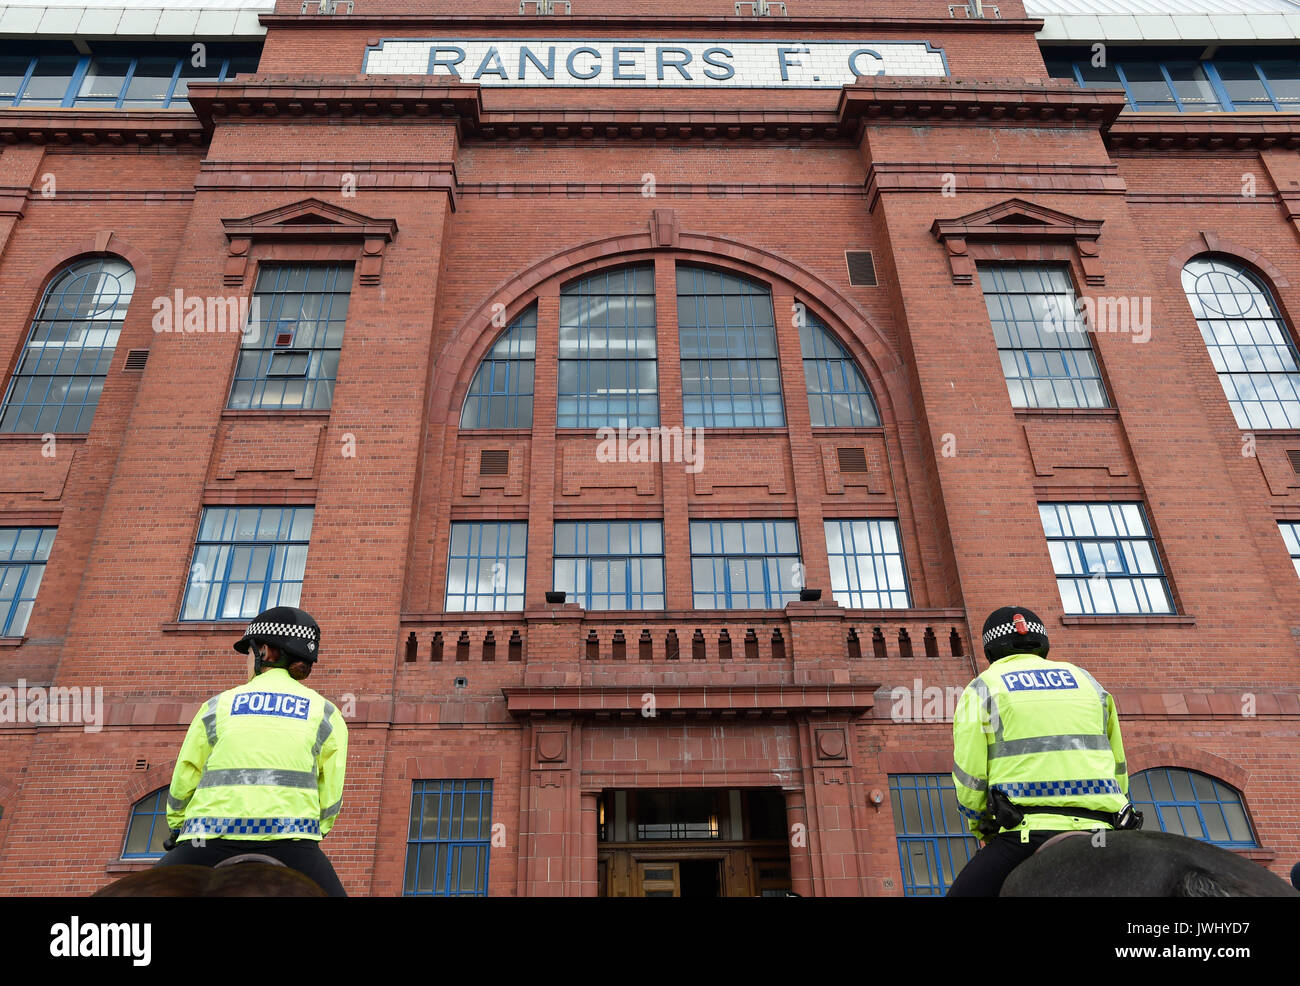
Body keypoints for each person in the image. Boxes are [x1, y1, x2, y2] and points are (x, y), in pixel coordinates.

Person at [154, 606, 348, 897]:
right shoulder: (326, 714)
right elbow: (330, 796)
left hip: (206, 840)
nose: (247, 661)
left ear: (266, 652)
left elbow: (185, 777)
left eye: (249, 652)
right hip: (292, 843)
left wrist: (179, 828)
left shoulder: (216, 706)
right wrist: (311, 831)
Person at [946, 606, 1139, 897]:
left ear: (992, 648)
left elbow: (971, 780)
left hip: (1028, 834)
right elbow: (1118, 765)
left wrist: (982, 827)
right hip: (1102, 832)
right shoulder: (1088, 682)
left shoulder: (983, 688)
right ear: (1042, 642)